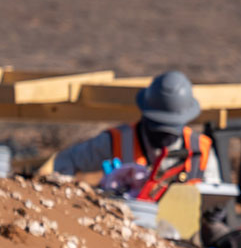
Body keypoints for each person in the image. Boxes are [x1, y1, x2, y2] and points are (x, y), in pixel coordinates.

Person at [51, 70, 222, 186]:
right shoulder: (117, 140)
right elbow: (65, 161)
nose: (163, 136)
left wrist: (213, 214)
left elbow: (215, 191)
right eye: (159, 126)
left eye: (169, 128)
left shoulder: (201, 149)